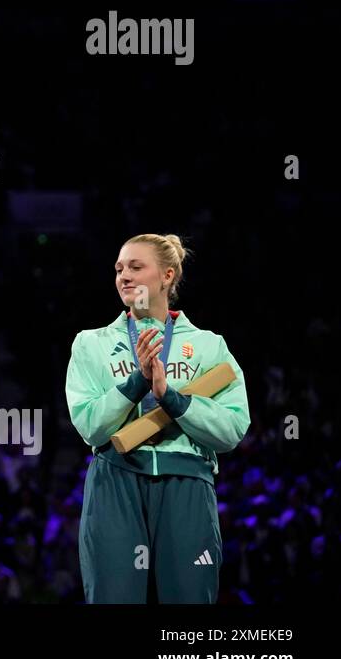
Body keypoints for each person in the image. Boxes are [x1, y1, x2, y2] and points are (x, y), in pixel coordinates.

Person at [66, 233, 250, 603]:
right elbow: (90, 425)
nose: (124, 277)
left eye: (136, 267)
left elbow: (231, 429)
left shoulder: (209, 346)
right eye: (119, 269)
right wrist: (138, 382)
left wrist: (172, 398)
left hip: (187, 481)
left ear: (167, 276)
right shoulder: (92, 343)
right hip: (115, 480)